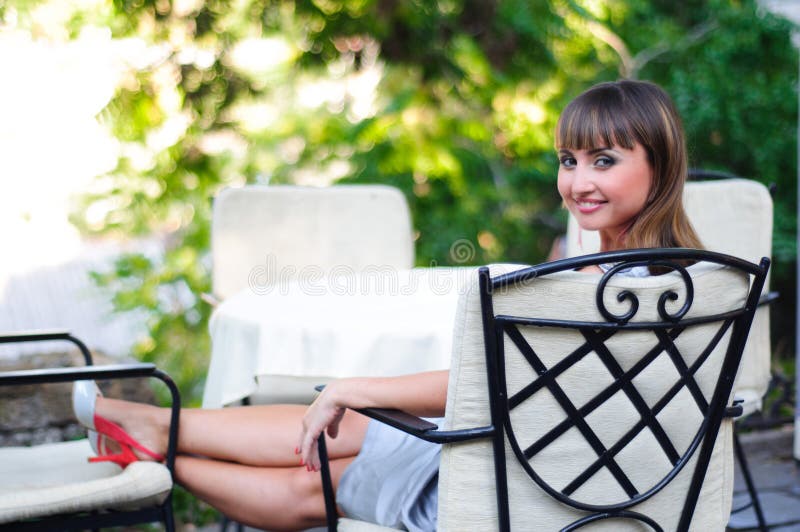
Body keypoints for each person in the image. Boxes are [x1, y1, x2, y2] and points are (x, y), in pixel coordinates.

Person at [71, 79, 702, 531]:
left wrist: (356, 388)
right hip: (596, 468)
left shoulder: (600, 288)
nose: (578, 180)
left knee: (314, 480)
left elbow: (487, 387)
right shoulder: (688, 276)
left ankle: (160, 456)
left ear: (661, 165)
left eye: (604, 160)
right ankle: (155, 432)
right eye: (569, 160)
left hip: (530, 492)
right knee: (354, 427)